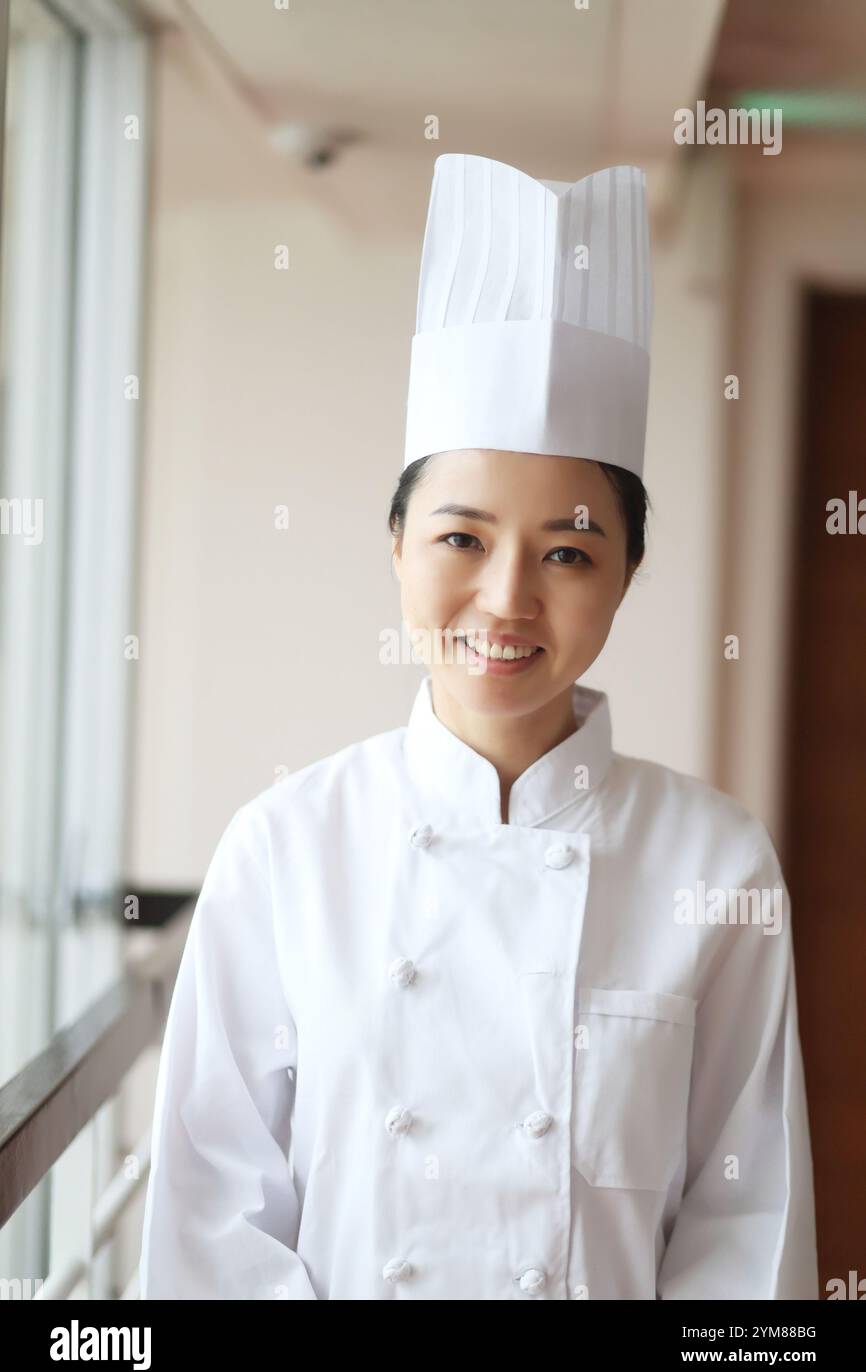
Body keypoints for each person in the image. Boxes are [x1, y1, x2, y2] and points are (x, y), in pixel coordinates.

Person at [138, 155, 819, 1300]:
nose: (507, 599)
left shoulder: (716, 862)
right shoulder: (283, 850)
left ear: (627, 571)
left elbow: (745, 1234)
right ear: (396, 542)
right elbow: (212, 1227)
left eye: (566, 551)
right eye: (460, 537)